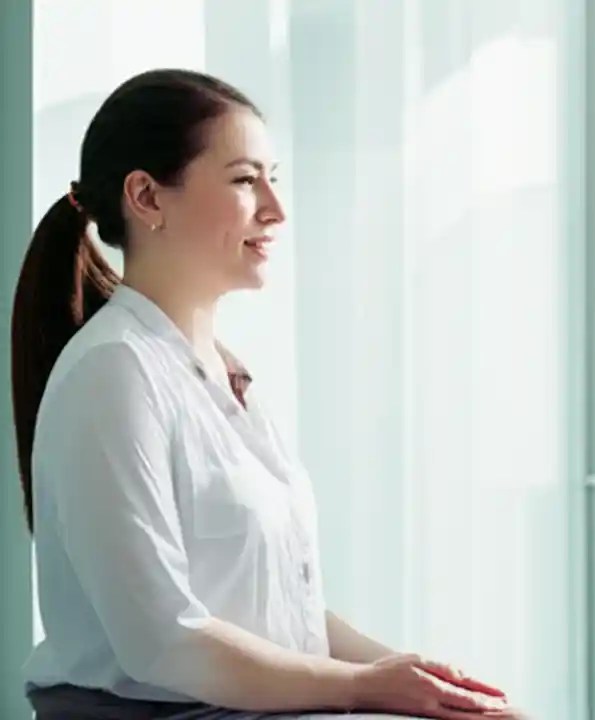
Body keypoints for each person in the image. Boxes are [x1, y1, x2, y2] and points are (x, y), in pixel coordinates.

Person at [13, 69, 520, 720]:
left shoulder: (224, 380)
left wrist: (432, 686)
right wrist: (369, 686)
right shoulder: (113, 374)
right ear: (146, 197)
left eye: (272, 178)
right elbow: (162, 643)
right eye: (245, 180)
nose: (276, 209)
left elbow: (290, 617)